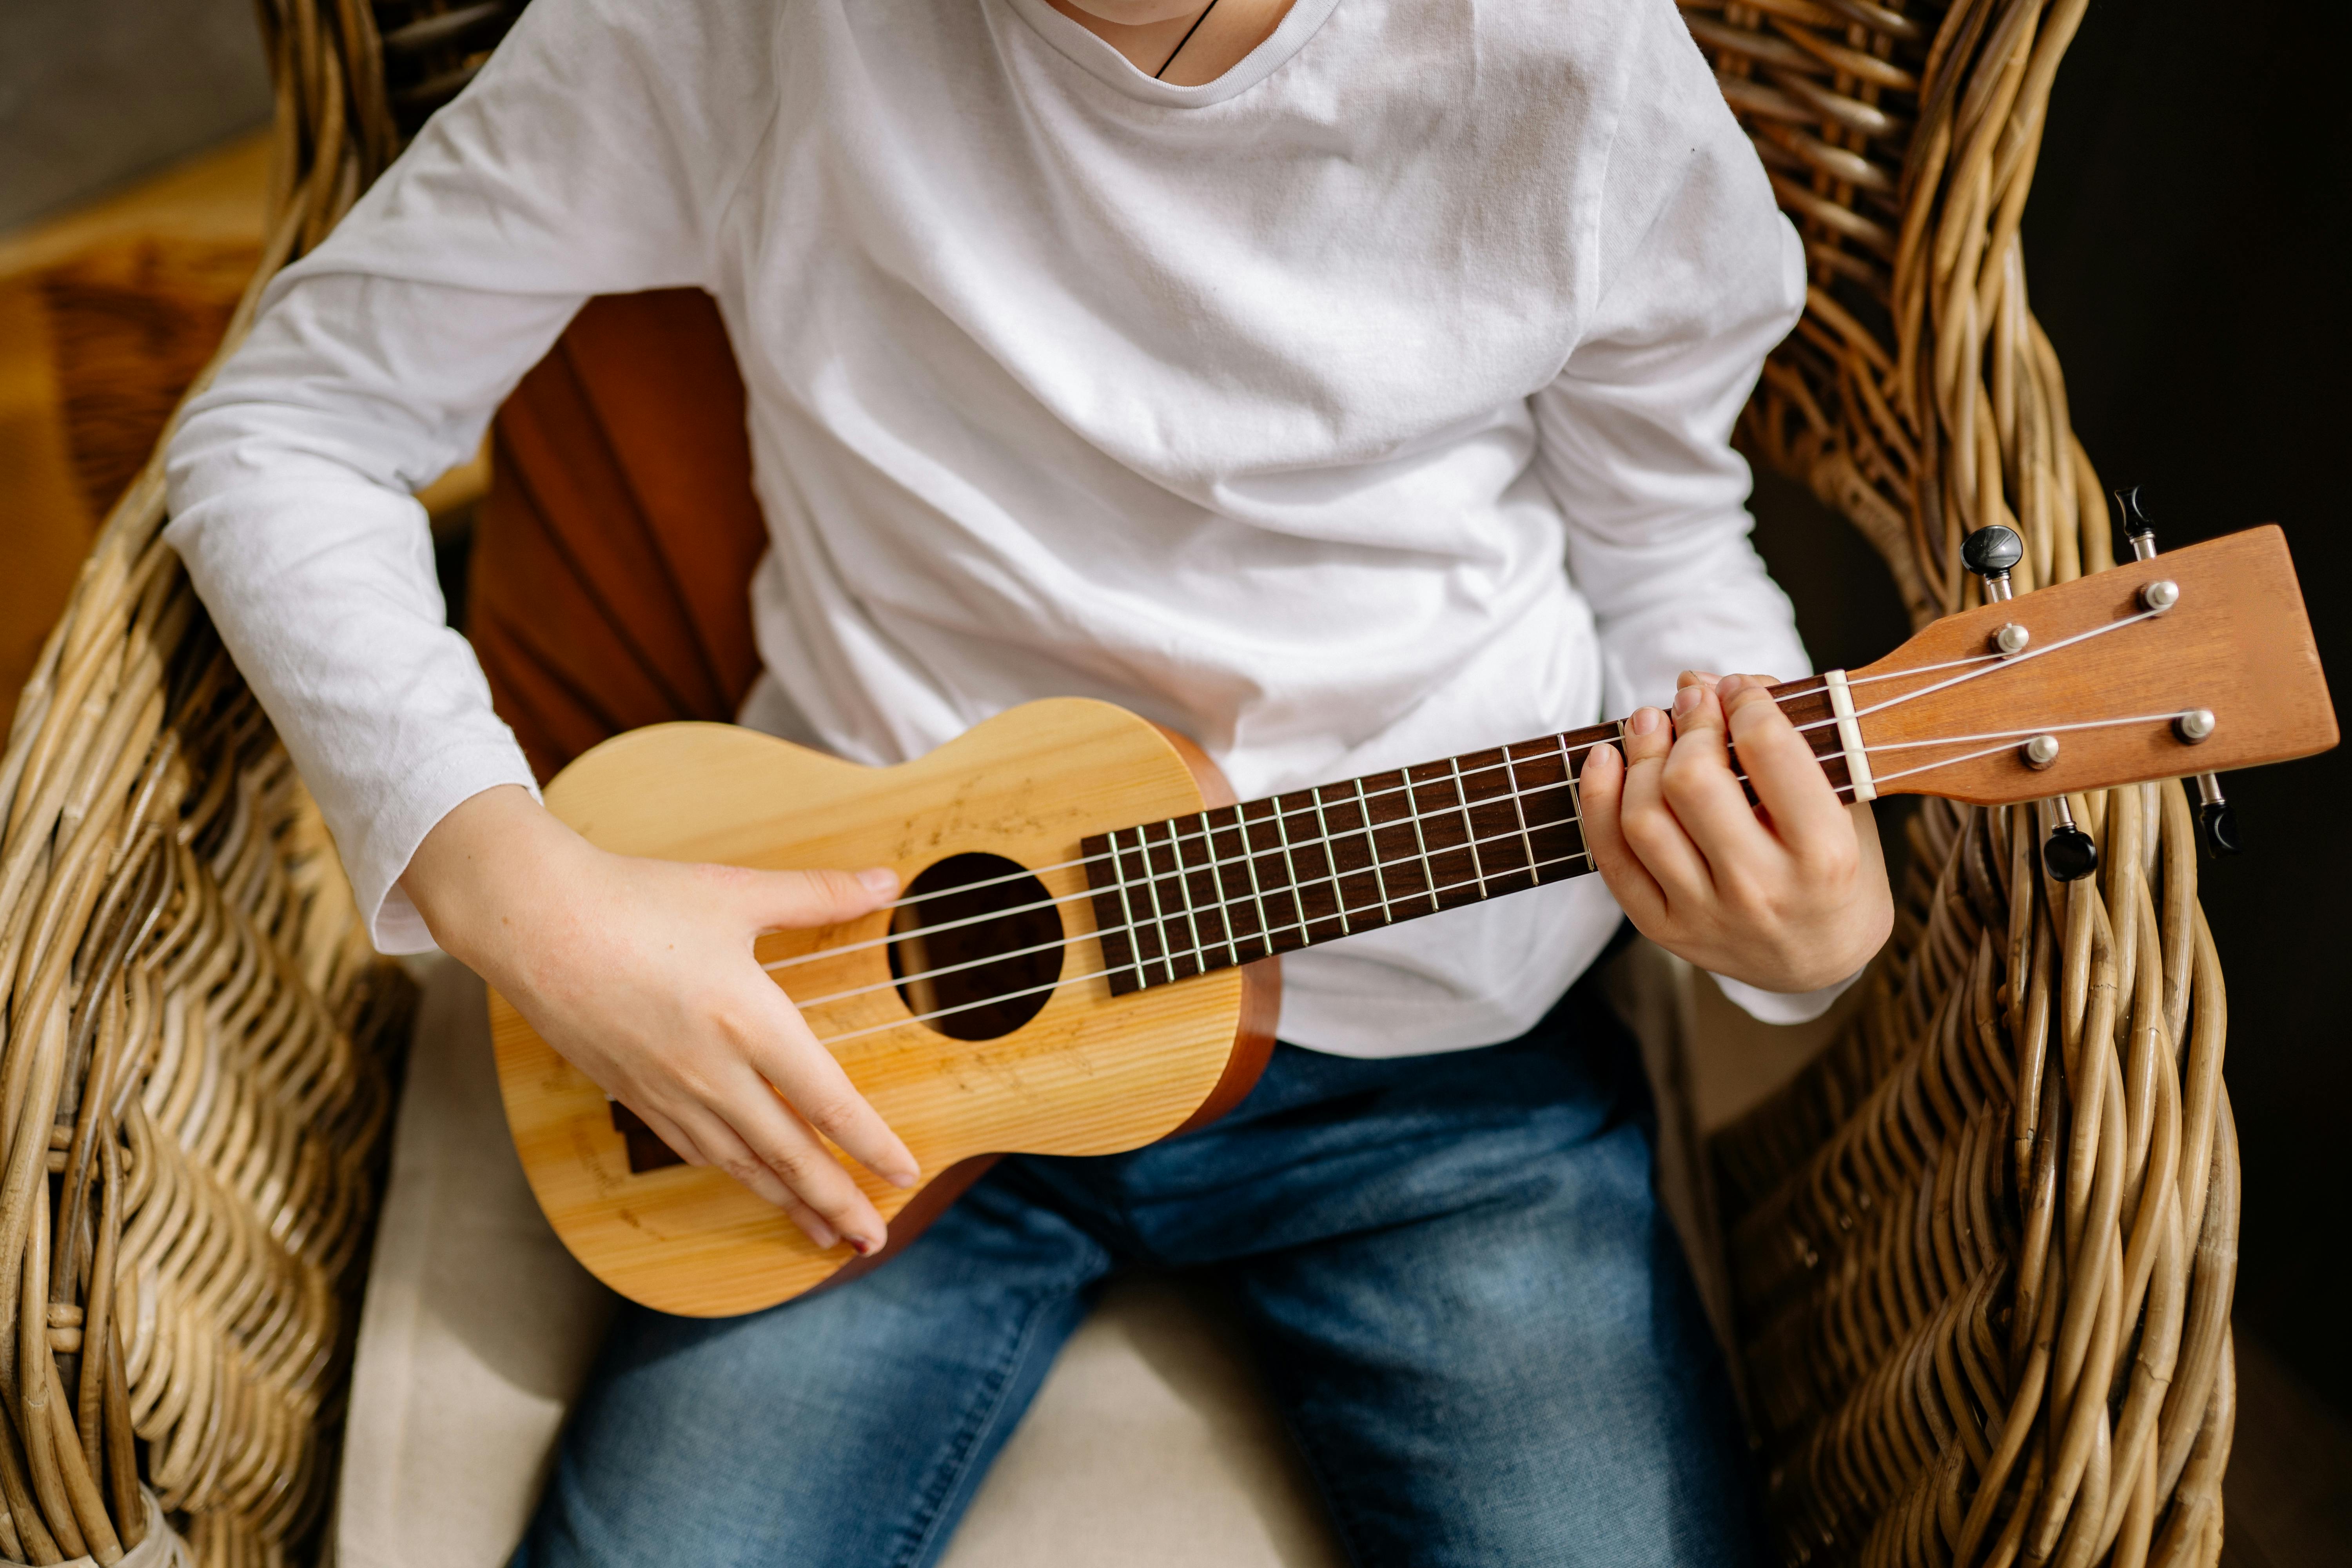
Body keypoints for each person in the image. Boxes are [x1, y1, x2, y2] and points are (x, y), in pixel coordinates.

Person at [165, 0, 1893, 1562]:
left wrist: (1791, 922)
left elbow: (1667, 548)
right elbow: (284, 431)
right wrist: (519, 890)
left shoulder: (1572, 66)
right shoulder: (731, 29)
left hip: (1437, 1037)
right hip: (859, 1027)